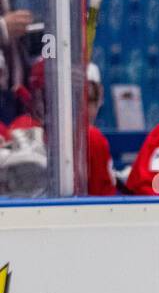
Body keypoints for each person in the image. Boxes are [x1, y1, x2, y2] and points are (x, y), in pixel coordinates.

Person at [9, 59, 115, 196]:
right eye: (79, 97)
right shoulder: (89, 137)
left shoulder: (16, 127)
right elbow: (106, 205)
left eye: (89, 98)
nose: (85, 108)